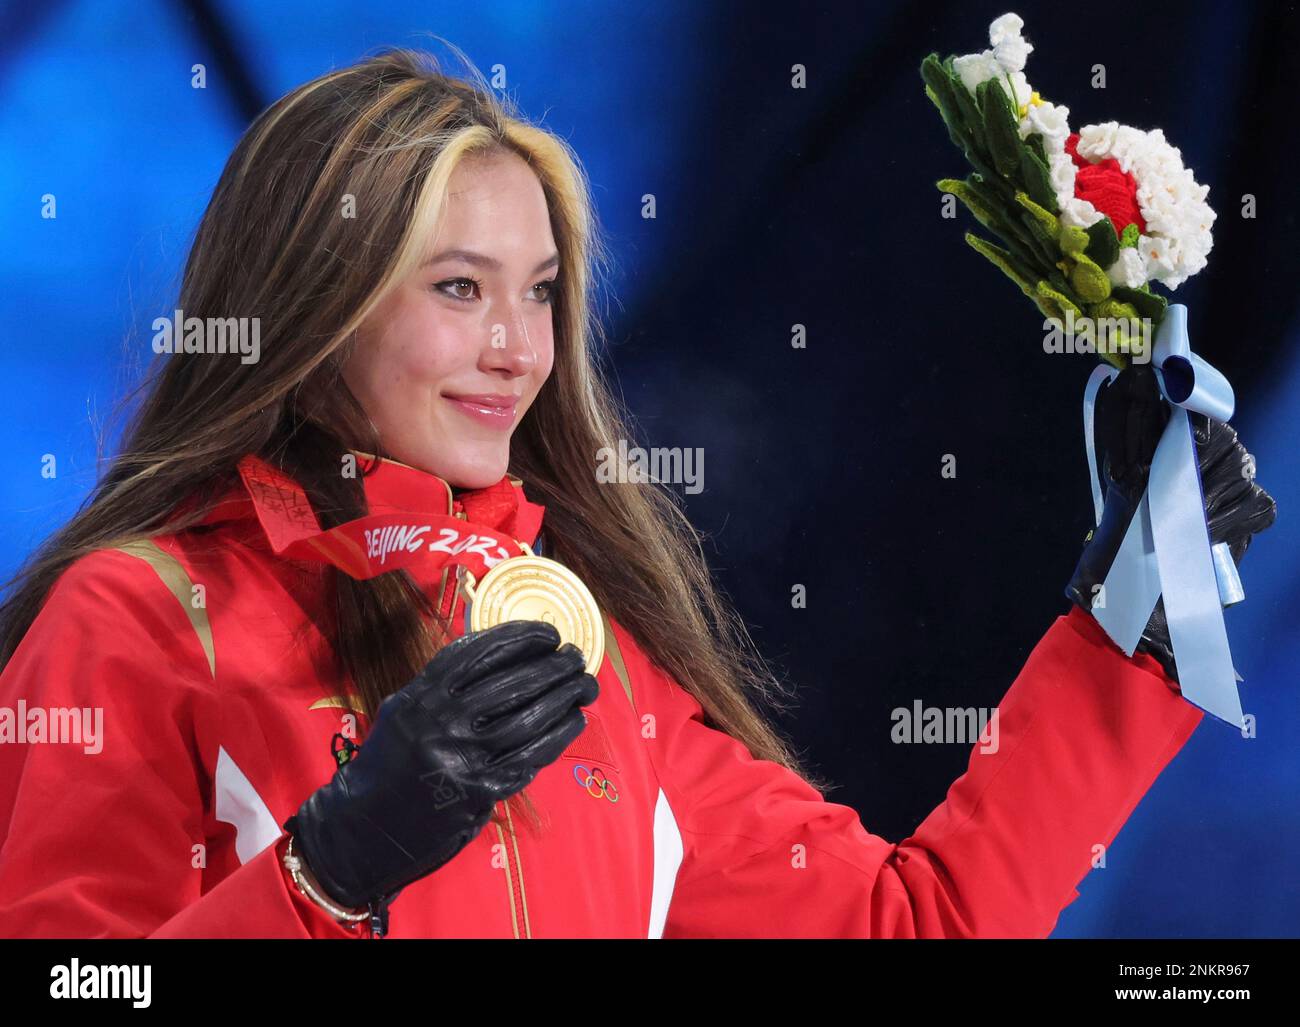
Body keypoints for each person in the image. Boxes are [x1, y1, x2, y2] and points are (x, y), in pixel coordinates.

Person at [0, 48, 1275, 940]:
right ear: (317, 309)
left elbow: (914, 922)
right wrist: (325, 875)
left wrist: (1131, 641)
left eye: (541, 289)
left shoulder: (581, 655)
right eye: (458, 287)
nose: (518, 347)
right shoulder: (138, 619)